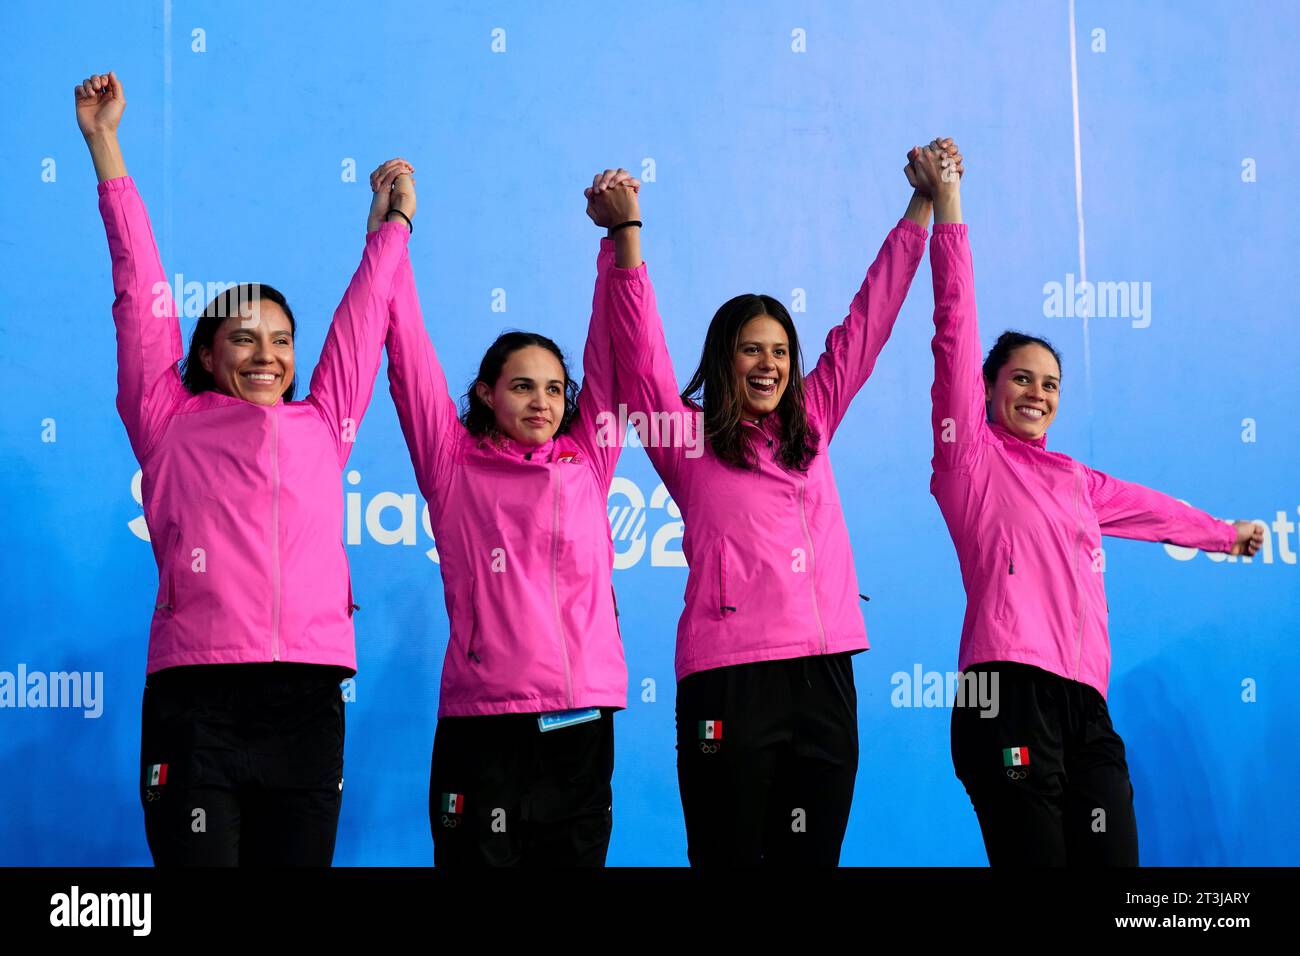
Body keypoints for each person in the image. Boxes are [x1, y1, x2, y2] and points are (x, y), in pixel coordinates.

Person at [77, 70, 416, 865]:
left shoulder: (322, 422)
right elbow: (140, 292)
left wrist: (390, 229)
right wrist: (105, 147)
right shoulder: (166, 419)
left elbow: (364, 323)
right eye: (243, 338)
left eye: (281, 341)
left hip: (306, 703)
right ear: (205, 351)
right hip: (198, 705)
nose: (267, 355)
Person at [589, 144, 958, 865]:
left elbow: (869, 318)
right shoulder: (686, 440)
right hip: (730, 681)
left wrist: (920, 204)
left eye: (781, 351)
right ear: (726, 359)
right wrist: (624, 237)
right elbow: (641, 357)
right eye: (752, 351)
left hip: (823, 678)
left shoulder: (814, 419)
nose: (769, 365)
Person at [912, 142, 1264, 866]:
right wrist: (948, 204)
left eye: (1051, 383)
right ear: (985, 390)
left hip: (1086, 708)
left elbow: (1154, 511)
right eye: (1021, 378)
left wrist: (1226, 535)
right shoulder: (967, 456)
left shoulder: (1076, 480)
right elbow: (953, 330)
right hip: (1003, 693)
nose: (1037, 393)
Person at [384, 169, 638, 866]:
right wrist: (391, 235)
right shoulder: (452, 464)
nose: (542, 401)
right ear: (487, 394)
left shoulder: (588, 459)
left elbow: (614, 352)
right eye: (522, 386)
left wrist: (616, 241)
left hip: (580, 722)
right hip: (481, 724)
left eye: (555, 389)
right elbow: (405, 354)